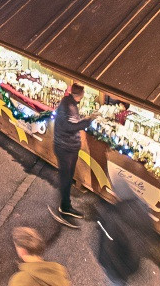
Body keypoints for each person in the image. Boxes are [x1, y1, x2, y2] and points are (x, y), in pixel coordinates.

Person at [52, 84, 94, 223]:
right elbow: (70, 127)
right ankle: (65, 206)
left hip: (68, 147)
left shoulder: (69, 102)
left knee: (68, 176)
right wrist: (88, 121)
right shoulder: (68, 106)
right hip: (65, 148)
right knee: (66, 177)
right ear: (80, 94)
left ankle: (65, 203)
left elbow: (71, 122)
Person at [96, 179, 151, 286]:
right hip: (132, 264)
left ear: (118, 195)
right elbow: (147, 240)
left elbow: (108, 245)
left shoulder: (113, 217)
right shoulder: (144, 213)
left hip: (117, 269)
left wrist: (102, 260)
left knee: (116, 282)